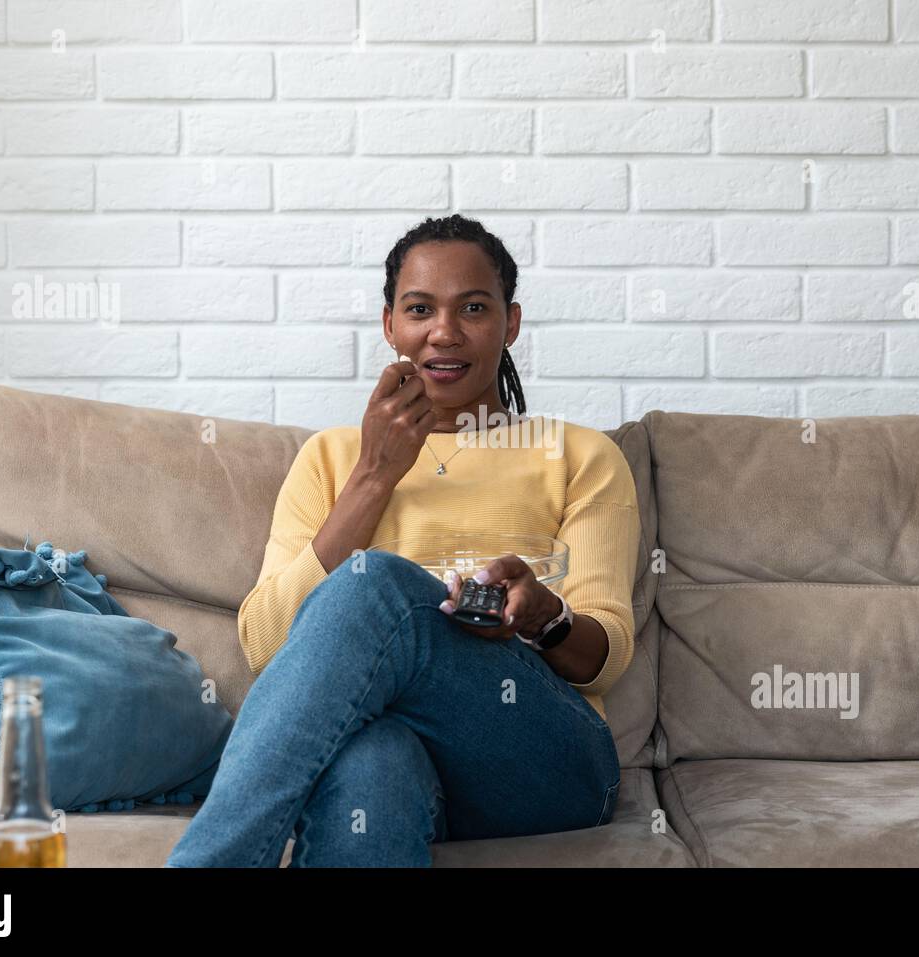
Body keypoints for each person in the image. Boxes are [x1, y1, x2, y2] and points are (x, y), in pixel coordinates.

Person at [166, 213, 642, 867]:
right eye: (420, 308)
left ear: (511, 324)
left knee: (376, 581)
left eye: (473, 308)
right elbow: (265, 645)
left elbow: (605, 656)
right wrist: (374, 474)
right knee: (373, 757)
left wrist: (541, 615)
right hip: (392, 752)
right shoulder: (332, 458)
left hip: (540, 760)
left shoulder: (577, 455)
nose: (443, 332)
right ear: (390, 325)